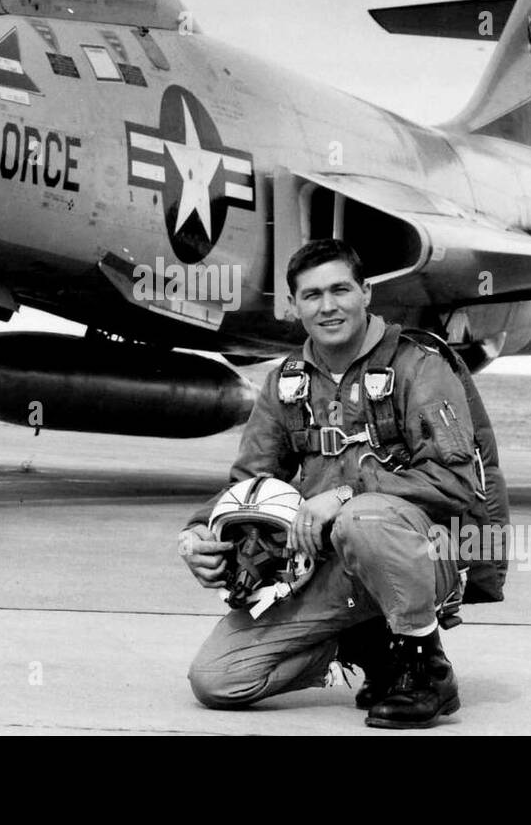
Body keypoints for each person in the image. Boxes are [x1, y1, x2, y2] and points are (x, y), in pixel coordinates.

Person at [178, 238, 491, 729]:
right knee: (217, 678)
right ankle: (372, 648)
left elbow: (457, 483)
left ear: (366, 292)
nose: (328, 306)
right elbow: (249, 484)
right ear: (293, 306)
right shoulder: (287, 382)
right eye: (312, 295)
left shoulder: (419, 366)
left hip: (425, 553)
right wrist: (199, 532)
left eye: (340, 290)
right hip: (325, 567)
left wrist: (348, 493)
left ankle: (424, 668)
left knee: (361, 518)